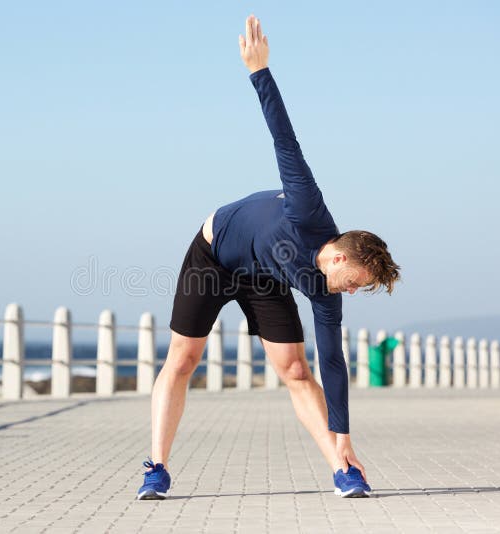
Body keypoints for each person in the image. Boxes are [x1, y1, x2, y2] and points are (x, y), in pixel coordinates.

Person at [136, 14, 400, 500]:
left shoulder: (325, 290)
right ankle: (156, 468)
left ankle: (343, 469)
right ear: (341, 257)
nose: (353, 292)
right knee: (184, 357)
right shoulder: (307, 206)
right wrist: (260, 72)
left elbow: (333, 363)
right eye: (356, 282)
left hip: (264, 278)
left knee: (297, 371)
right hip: (214, 256)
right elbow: (285, 139)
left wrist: (344, 434)